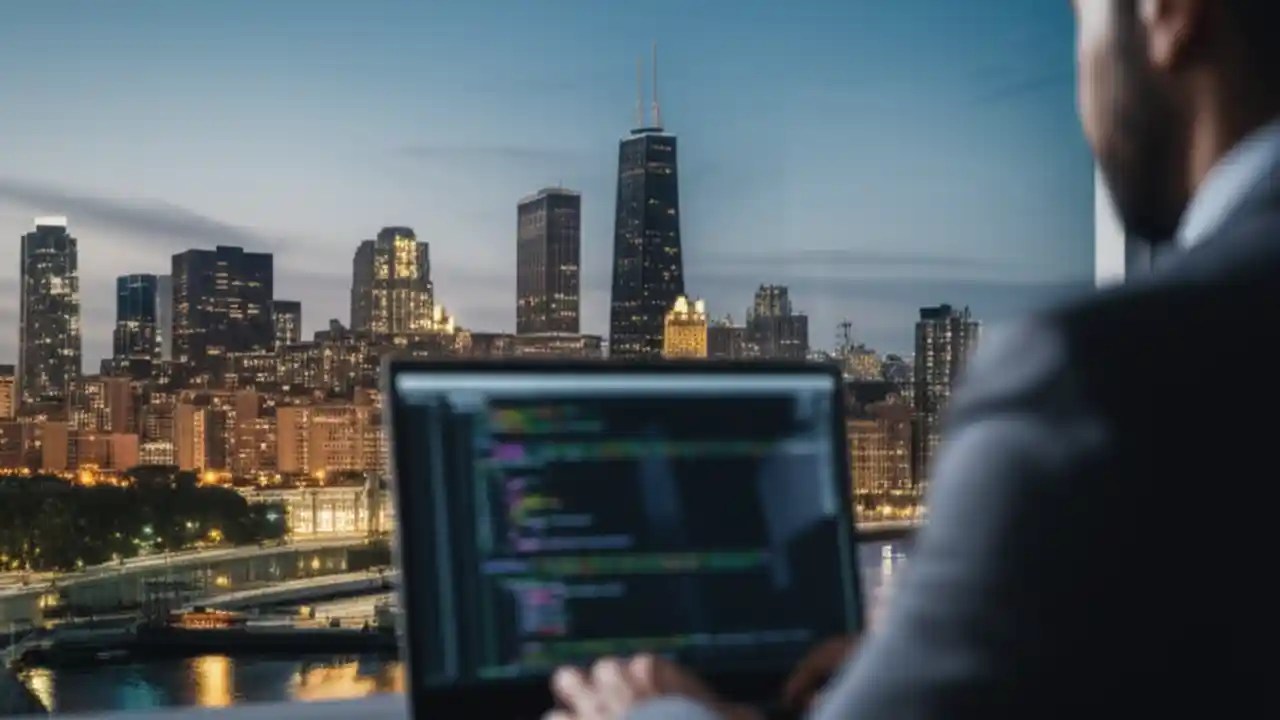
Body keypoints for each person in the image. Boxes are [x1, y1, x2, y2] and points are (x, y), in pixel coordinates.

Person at [543, 0, 1280, 717]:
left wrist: (656, 714)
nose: (1083, 81)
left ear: (1169, 14)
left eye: (1080, 18)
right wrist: (913, 665)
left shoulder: (1091, 378)